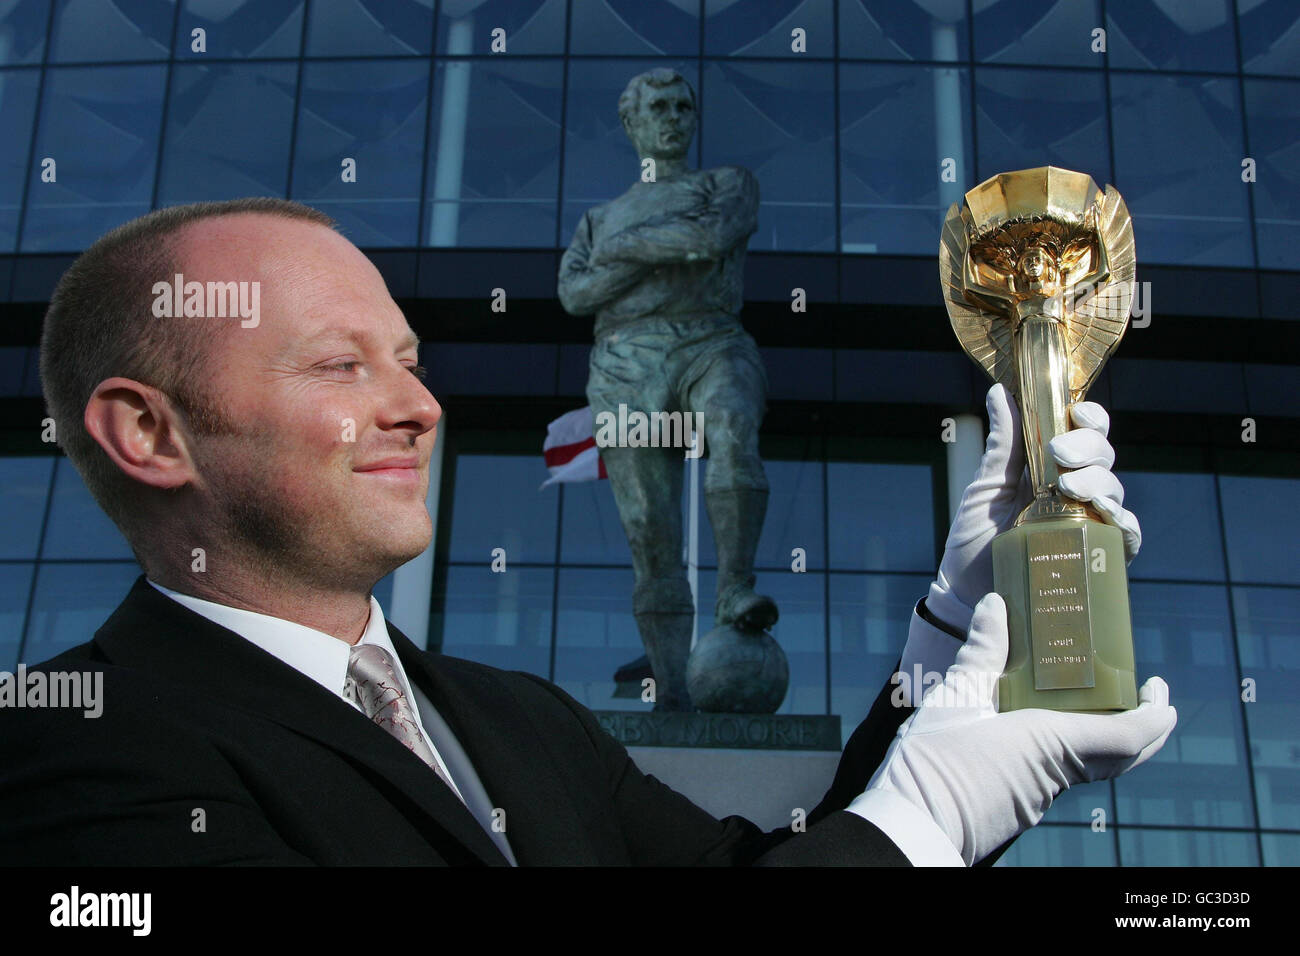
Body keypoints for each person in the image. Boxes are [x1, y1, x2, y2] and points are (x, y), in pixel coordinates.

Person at [0, 197, 1175, 866]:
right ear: (149, 434)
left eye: (410, 359)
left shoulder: (523, 722)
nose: (419, 405)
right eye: (340, 364)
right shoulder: (62, 754)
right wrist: (922, 819)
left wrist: (955, 626)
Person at [558, 68, 774, 710]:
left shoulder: (727, 184)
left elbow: (710, 236)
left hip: (711, 339)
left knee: (732, 424)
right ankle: (673, 688)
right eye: (658, 107)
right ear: (632, 122)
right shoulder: (599, 219)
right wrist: (660, 252)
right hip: (624, 361)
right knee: (650, 530)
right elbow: (574, 294)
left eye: (684, 106)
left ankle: (735, 588)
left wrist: (623, 255)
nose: (674, 116)